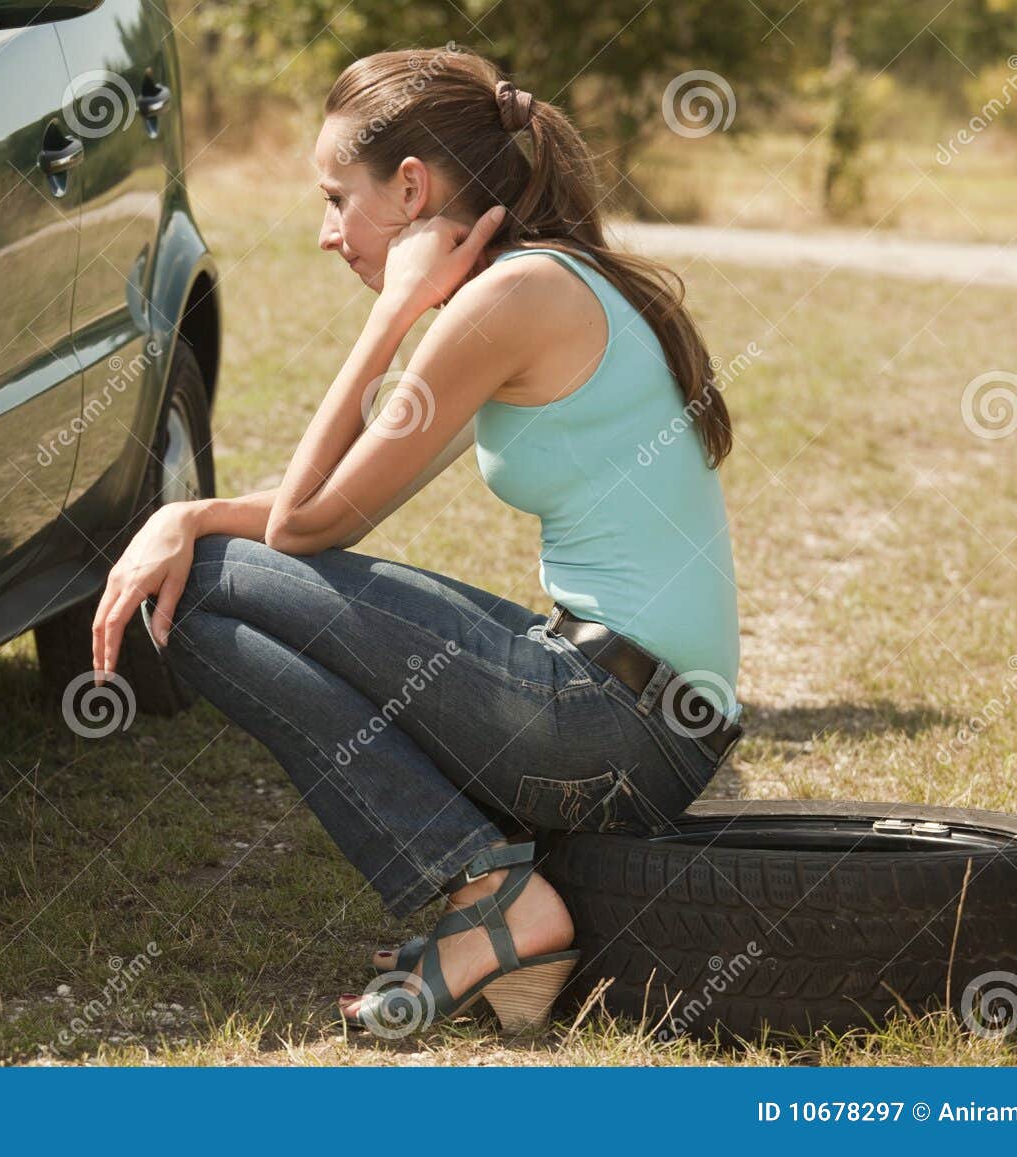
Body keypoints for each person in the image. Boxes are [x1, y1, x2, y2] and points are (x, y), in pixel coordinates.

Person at [90, 45, 746, 1037]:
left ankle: (492, 898)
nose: (323, 234)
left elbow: (308, 524)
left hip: (620, 724)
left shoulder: (509, 299)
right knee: (204, 575)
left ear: (409, 187)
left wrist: (396, 309)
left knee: (197, 588)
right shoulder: (534, 283)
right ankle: (489, 892)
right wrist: (184, 515)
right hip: (633, 705)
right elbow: (327, 507)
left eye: (334, 197)